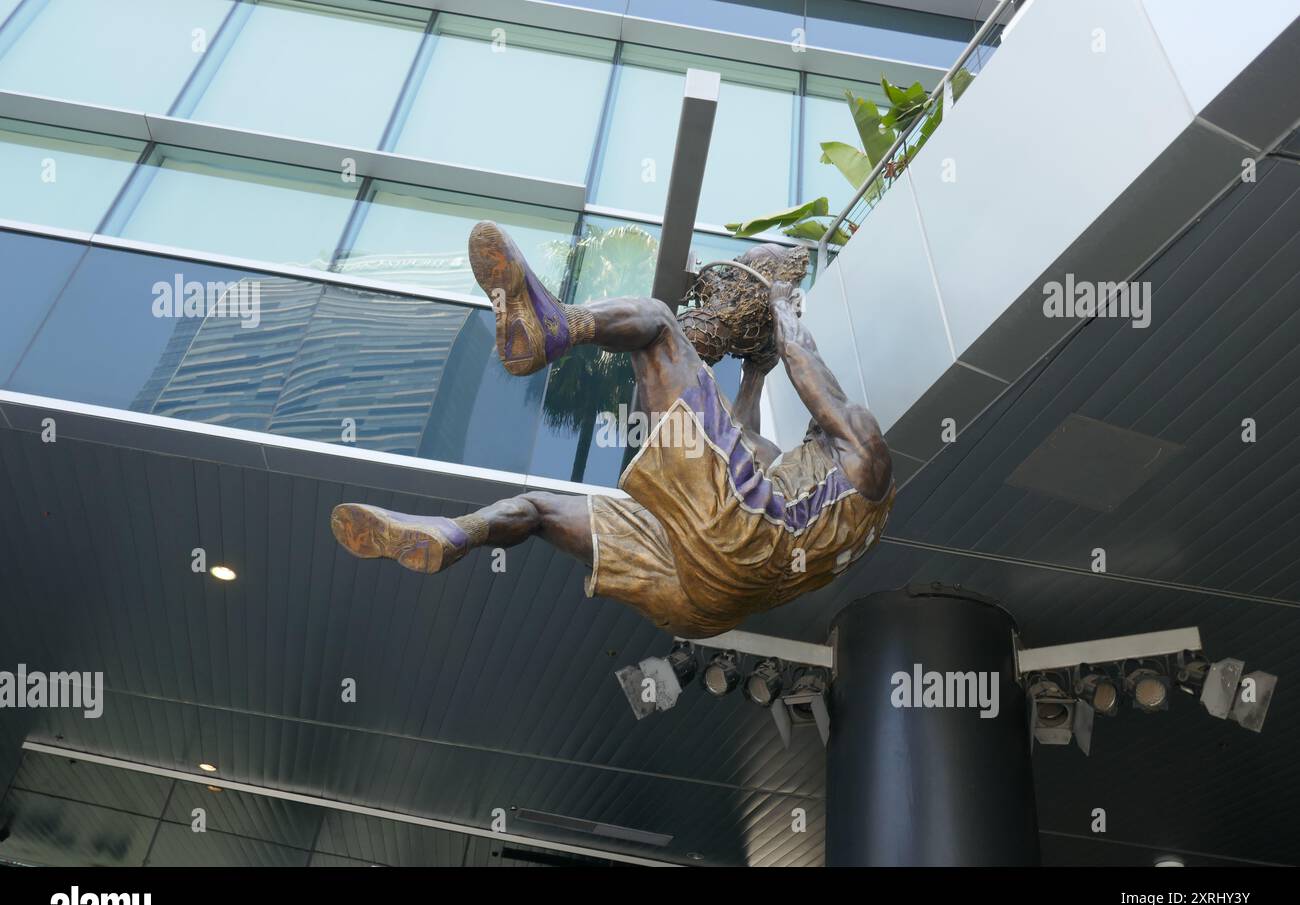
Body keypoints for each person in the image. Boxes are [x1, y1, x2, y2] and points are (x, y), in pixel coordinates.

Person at [329, 222, 895, 638]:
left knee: (658, 328)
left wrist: (780, 306)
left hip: (739, 545)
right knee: (538, 510)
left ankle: (555, 326)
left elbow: (804, 359)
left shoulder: (865, 445)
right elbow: (744, 449)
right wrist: (753, 371)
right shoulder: (824, 499)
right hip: (706, 604)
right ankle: (456, 533)